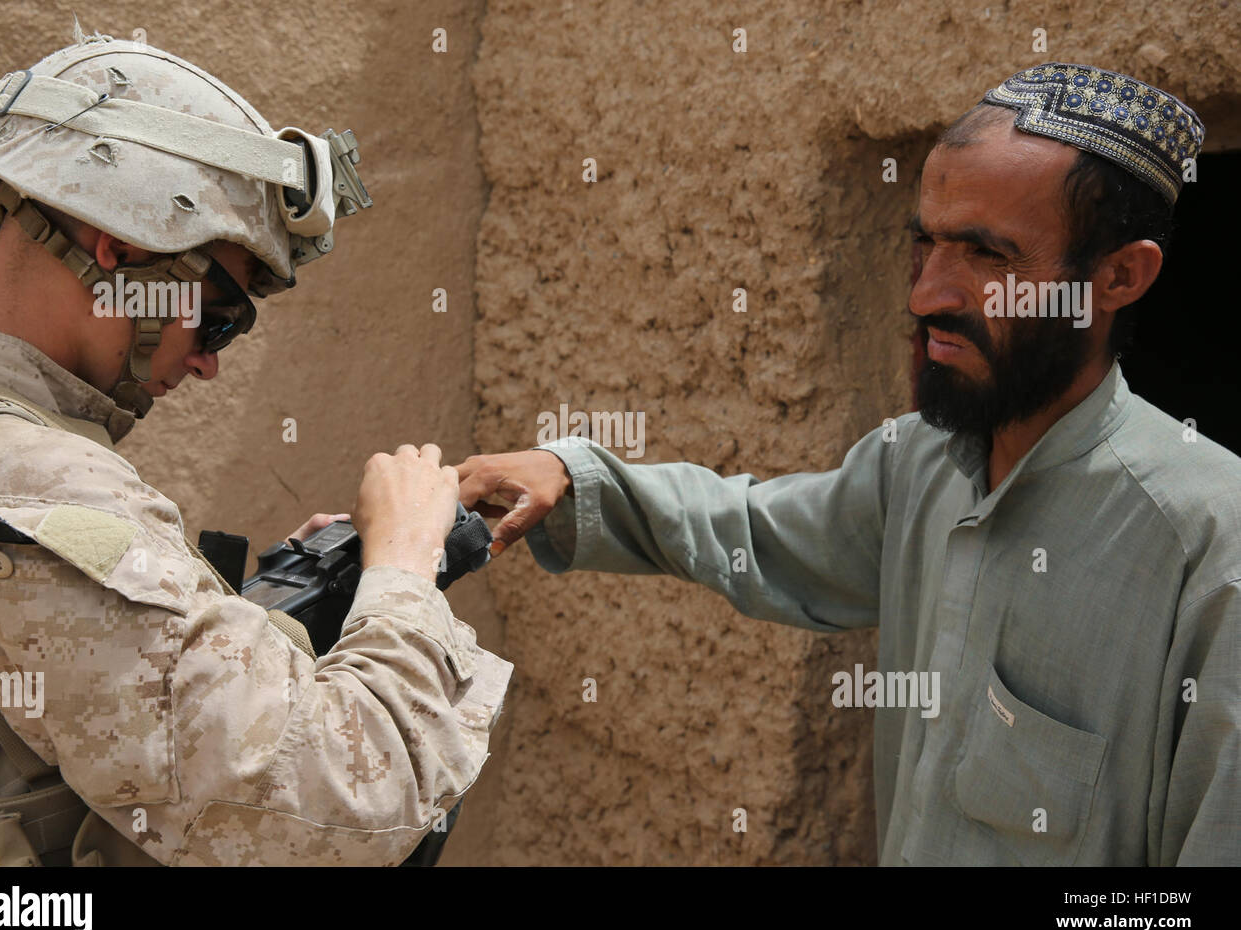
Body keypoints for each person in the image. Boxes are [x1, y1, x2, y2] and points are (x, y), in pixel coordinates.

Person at [455, 63, 1238, 865]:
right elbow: (755, 531)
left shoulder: (1210, 544)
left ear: (1119, 277)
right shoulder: (921, 464)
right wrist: (573, 477)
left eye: (986, 254)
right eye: (926, 243)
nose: (928, 294)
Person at [0, 29, 511, 866]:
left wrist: (261, 615)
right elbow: (334, 809)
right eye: (218, 316)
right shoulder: (32, 482)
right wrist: (404, 575)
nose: (208, 362)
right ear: (124, 248)